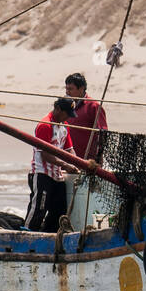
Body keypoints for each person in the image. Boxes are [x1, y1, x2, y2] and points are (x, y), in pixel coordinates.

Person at [25, 97, 78, 233]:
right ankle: (27, 233)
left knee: (59, 210)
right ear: (58, 109)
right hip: (42, 173)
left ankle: (50, 235)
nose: (68, 118)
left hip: (57, 176)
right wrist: (66, 166)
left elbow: (69, 150)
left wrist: (77, 163)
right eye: (67, 113)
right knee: (39, 208)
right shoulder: (45, 125)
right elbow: (46, 155)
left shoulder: (64, 126)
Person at [63, 72, 109, 162]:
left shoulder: (93, 106)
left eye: (70, 89)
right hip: (67, 159)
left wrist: (99, 157)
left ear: (81, 89)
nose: (67, 92)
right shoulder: (66, 106)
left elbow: (103, 133)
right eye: (66, 89)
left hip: (87, 160)